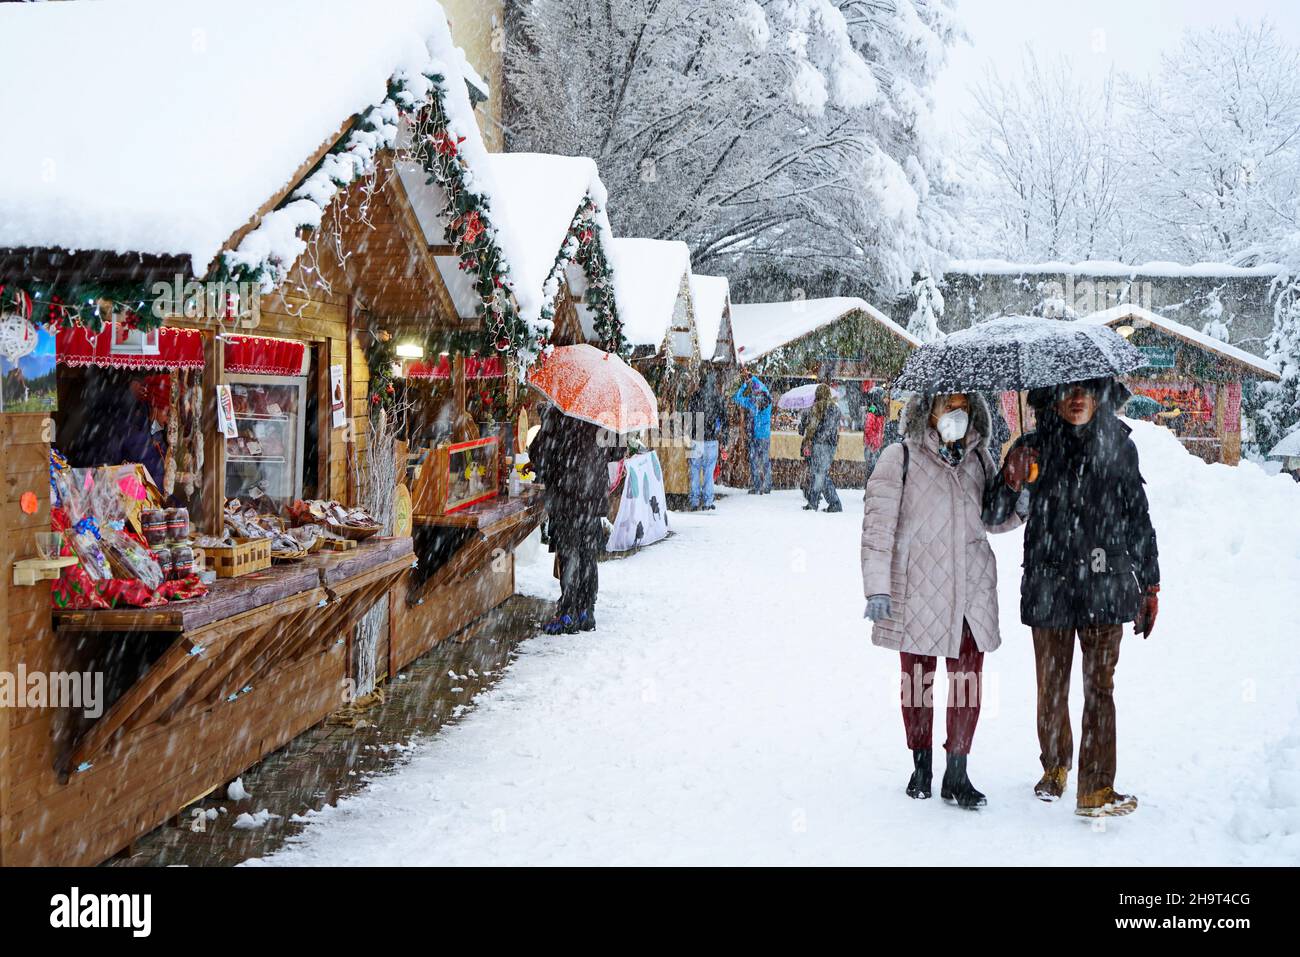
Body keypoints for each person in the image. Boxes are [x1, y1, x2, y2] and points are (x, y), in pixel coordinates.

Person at [983, 377, 1160, 818]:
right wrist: (1010, 478)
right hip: (1049, 583)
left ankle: (1096, 788)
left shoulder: (1119, 446)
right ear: (1052, 397)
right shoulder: (1032, 447)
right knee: (1053, 686)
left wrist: (1151, 584)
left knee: (1100, 687)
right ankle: (1056, 766)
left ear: (1100, 394)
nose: (1077, 398)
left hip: (1107, 582)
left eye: (1086, 389)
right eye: (1067, 390)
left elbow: (1137, 516)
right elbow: (993, 515)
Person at [862, 392, 1020, 808]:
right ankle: (921, 764)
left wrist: (1021, 492)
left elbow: (995, 519)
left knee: (968, 681)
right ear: (928, 410)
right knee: (918, 683)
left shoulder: (979, 460)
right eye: (948, 406)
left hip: (971, 589)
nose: (957, 415)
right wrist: (877, 587)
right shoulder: (900, 457)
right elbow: (878, 528)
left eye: (964, 408)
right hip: (918, 587)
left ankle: (957, 771)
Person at [530, 405, 610, 635]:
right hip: (591, 499)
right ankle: (586, 610)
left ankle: (567, 613)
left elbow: (539, 453)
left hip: (567, 498)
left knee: (569, 553)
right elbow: (615, 451)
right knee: (587, 553)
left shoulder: (557, 414)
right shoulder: (599, 414)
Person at [687, 369, 727, 511]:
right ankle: (708, 501)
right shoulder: (718, 398)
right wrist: (724, 440)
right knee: (709, 472)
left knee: (694, 470)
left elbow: (688, 418)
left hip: (696, 439)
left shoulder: (694, 396)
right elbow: (724, 420)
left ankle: (694, 501)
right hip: (711, 440)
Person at [801, 383, 842, 512]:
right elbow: (825, 428)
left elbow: (826, 430)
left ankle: (833, 503)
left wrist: (816, 440)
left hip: (823, 445)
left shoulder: (829, 409)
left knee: (820, 475)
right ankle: (815, 502)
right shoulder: (823, 408)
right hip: (825, 445)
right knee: (818, 474)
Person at [732, 372, 772, 494]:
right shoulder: (768, 400)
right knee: (764, 461)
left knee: (754, 461)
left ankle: (758, 486)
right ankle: (767, 485)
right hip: (764, 435)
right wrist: (752, 379)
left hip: (755, 435)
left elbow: (736, 397)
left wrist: (745, 384)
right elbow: (763, 388)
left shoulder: (751, 401)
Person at [861, 385, 886, 478]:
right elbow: (868, 428)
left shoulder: (880, 409)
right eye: (882, 396)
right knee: (872, 471)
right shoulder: (873, 409)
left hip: (876, 445)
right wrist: (873, 443)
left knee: (873, 470)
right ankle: (869, 489)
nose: (884, 399)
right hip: (872, 446)